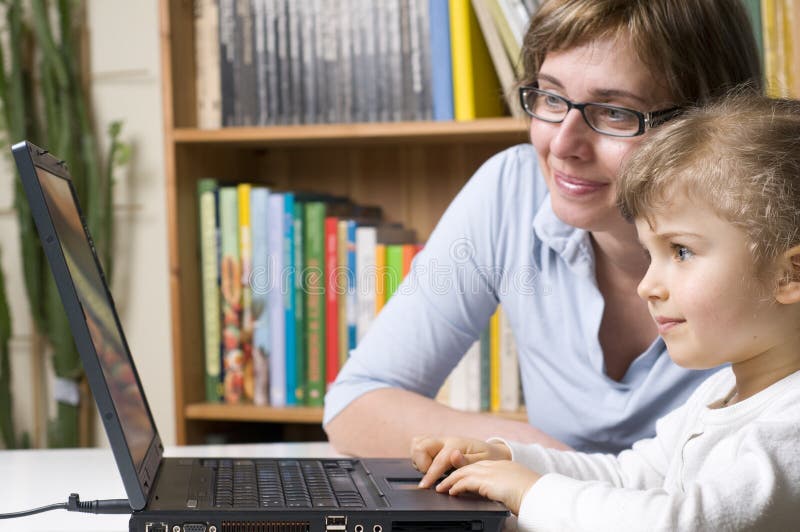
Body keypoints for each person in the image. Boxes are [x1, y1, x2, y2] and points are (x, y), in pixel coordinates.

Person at [323, 0, 763, 457]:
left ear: (706, 123)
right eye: (552, 98)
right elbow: (355, 406)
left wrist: (565, 484)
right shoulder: (511, 189)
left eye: (614, 112)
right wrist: (542, 461)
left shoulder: (773, 233)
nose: (562, 143)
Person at [409, 92, 800, 530]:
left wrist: (528, 490)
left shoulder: (790, 429)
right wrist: (507, 459)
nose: (648, 285)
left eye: (682, 251)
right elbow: (629, 478)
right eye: (651, 254)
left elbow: (679, 523)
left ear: (790, 275)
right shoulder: (721, 391)